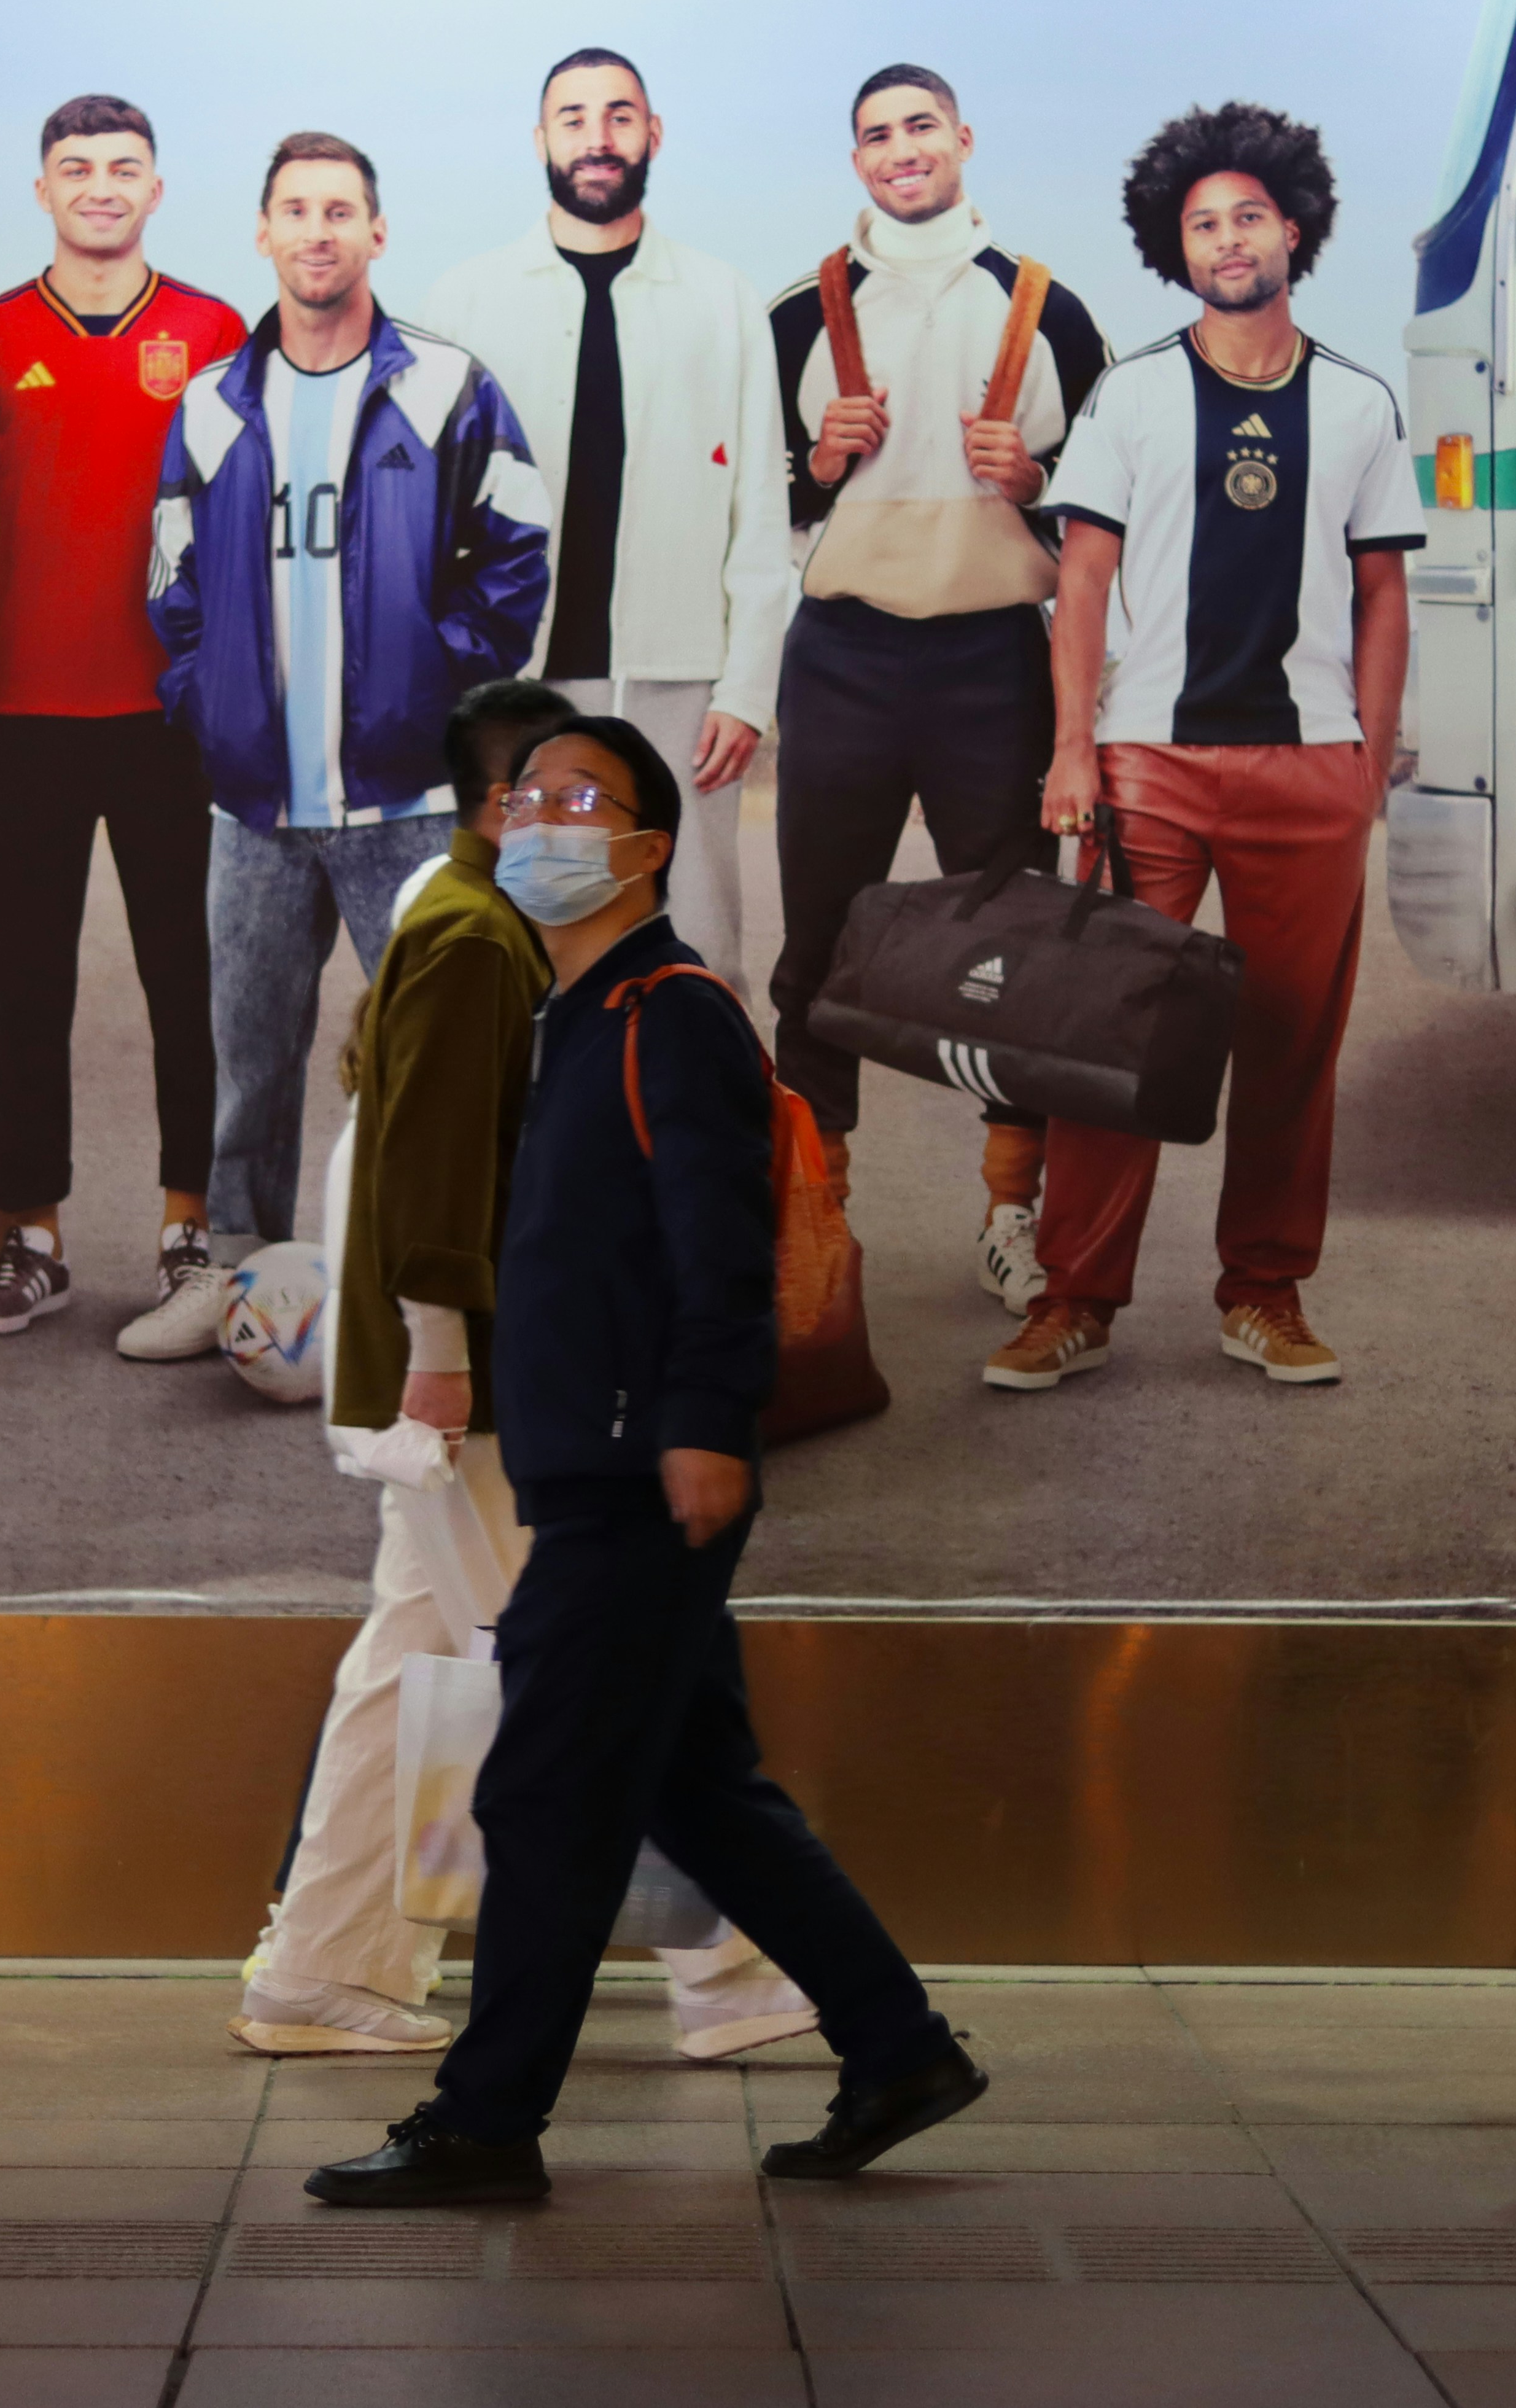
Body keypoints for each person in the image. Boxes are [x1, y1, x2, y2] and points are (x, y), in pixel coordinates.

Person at [306, 716, 982, 2208]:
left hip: (635, 1475)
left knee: (542, 1793)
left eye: (575, 796)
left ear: (646, 847)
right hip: (589, 1464)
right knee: (700, 1788)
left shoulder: (673, 1008)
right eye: (523, 792)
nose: (535, 813)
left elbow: (718, 1242)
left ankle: (486, 2119)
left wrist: (696, 1422)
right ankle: (898, 2044)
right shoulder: (579, 1012)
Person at [231, 680, 815, 2067]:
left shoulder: (467, 908)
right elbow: (434, 1159)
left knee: (412, 1653)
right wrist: (441, 1354)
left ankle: (324, 1964)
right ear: (506, 801)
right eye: (552, 795)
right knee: (603, 1667)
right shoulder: (482, 938)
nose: (565, 822)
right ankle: (732, 1969)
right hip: (473, 1377)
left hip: (450, 1368)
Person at [990, 104, 1418, 1397]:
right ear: (1176, 250)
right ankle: (1075, 1297)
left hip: (1309, 772)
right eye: (1202, 224)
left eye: (1248, 216)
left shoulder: (1357, 400)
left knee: (1291, 1042)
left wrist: (1368, 758)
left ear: (1294, 227)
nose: (1228, 240)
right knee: (1113, 1039)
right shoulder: (1131, 394)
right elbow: (1081, 581)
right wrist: (1074, 750)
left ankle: (1266, 1293)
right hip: (1149, 767)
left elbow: (1385, 593)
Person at [152, 133, 549, 1250]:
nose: (316, 231)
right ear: (264, 233)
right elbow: (171, 581)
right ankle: (241, 1285)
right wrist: (208, 699)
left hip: (405, 800)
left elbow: (518, 554)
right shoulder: (213, 402)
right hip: (255, 813)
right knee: (251, 1073)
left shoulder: (447, 386)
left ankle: (451, 1288)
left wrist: (433, 691)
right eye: (295, 210)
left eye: (340, 211)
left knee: (440, 1062)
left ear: (377, 232)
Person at [763, 64, 1106, 1312]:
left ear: (964, 139)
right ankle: (815, 1219)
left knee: (1010, 944)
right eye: (875, 135)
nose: (901, 150)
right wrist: (817, 460)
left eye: (920, 128)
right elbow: (763, 506)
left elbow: (1106, 520)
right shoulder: (798, 313)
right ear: (856, 161)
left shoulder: (1051, 311)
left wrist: (1036, 479)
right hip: (843, 651)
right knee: (815, 940)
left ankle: (1013, 1211)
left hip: (987, 659)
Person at [0, 98, 249, 1355]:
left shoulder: (215, 331)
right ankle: (34, 1238)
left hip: (171, 716)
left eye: (123, 167)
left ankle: (195, 1230)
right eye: (76, 168)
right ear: (41, 190)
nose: (100, 186)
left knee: (194, 980)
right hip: (22, 712)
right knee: (27, 984)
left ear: (156, 187)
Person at [419, 49, 793, 986]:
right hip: (510, 680)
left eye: (619, 116)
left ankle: (692, 1128)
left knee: (691, 949)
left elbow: (761, 513)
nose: (598, 138)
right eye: (574, 117)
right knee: (512, 959)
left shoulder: (722, 300)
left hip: (678, 687)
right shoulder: (463, 301)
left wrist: (745, 688)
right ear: (541, 138)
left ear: (652, 134)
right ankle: (521, 1135)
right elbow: (422, 520)